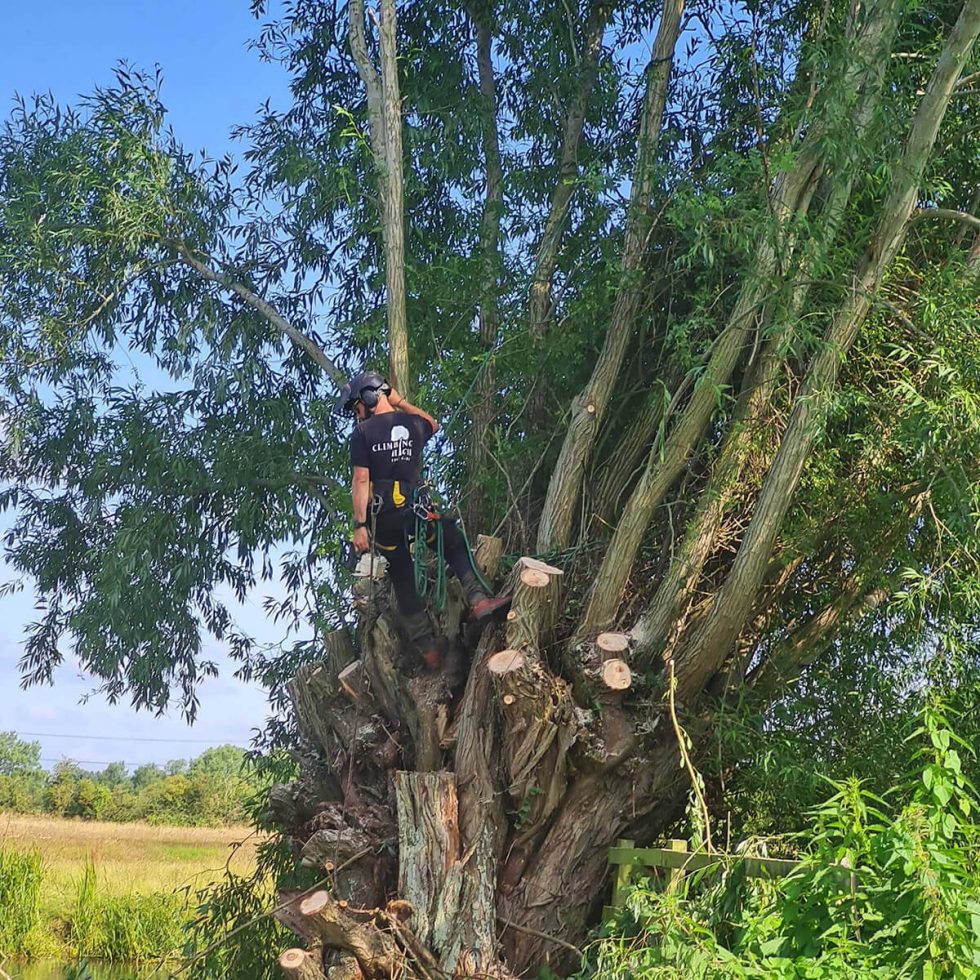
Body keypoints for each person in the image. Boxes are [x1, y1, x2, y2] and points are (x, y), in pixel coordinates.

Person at [340, 370, 509, 668]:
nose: (358, 415)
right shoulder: (412, 423)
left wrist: (360, 526)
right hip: (415, 512)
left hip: (384, 520)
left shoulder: (362, 434)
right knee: (452, 542)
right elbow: (433, 423)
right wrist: (400, 402)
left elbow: (361, 480)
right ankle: (478, 599)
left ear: (369, 397)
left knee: (402, 573)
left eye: (358, 407)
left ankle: (426, 646)